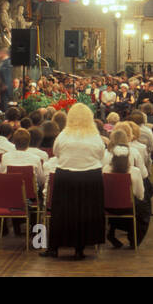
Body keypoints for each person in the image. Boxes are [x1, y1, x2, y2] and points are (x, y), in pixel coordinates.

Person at [43, 103, 106, 259]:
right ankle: (80, 248)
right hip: (90, 176)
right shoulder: (95, 136)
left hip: (66, 176)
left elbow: (56, 152)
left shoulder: (64, 135)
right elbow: (100, 154)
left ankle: (54, 248)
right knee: (85, 213)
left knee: (62, 213)